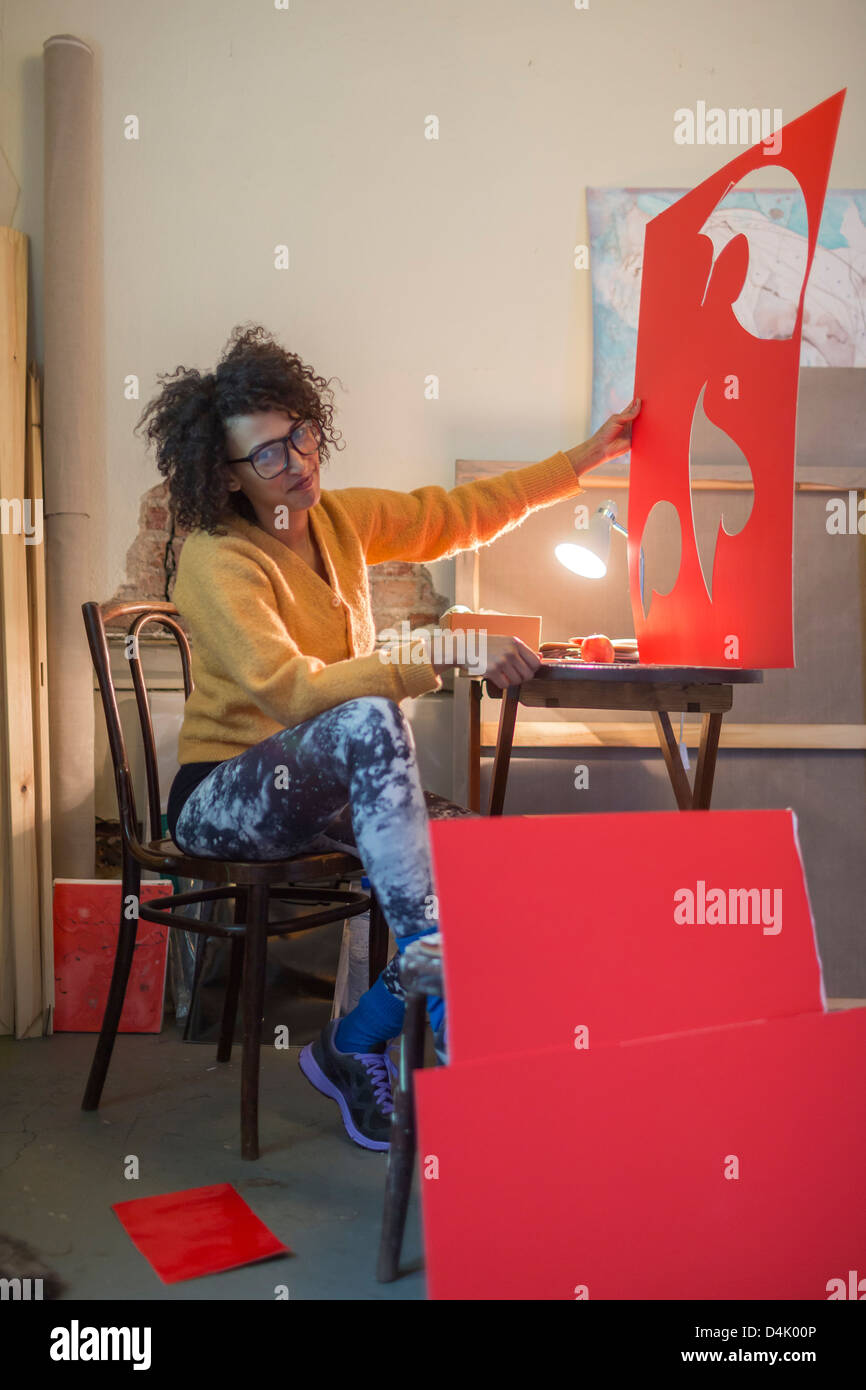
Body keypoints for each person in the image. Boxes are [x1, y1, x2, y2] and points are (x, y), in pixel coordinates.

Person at [136, 323, 641, 1151]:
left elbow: (456, 515)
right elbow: (293, 692)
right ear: (224, 475)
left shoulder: (337, 520)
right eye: (268, 454)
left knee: (485, 865)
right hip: (226, 797)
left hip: (325, 789)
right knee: (372, 715)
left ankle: (352, 1040)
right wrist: (444, 648)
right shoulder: (217, 559)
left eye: (301, 434)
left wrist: (585, 459)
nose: (298, 462)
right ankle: (456, 1024)